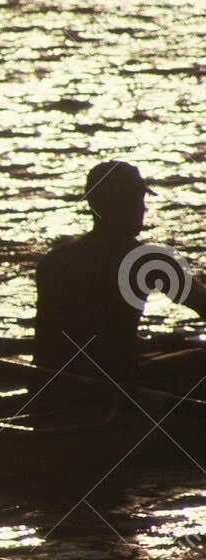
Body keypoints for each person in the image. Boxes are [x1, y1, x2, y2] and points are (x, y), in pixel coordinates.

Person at [34, 160, 206, 403]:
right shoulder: (148, 260)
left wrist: (144, 344)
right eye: (137, 200)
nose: (143, 209)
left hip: (52, 387)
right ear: (119, 205)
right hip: (112, 387)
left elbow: (84, 334)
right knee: (201, 359)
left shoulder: (54, 260)